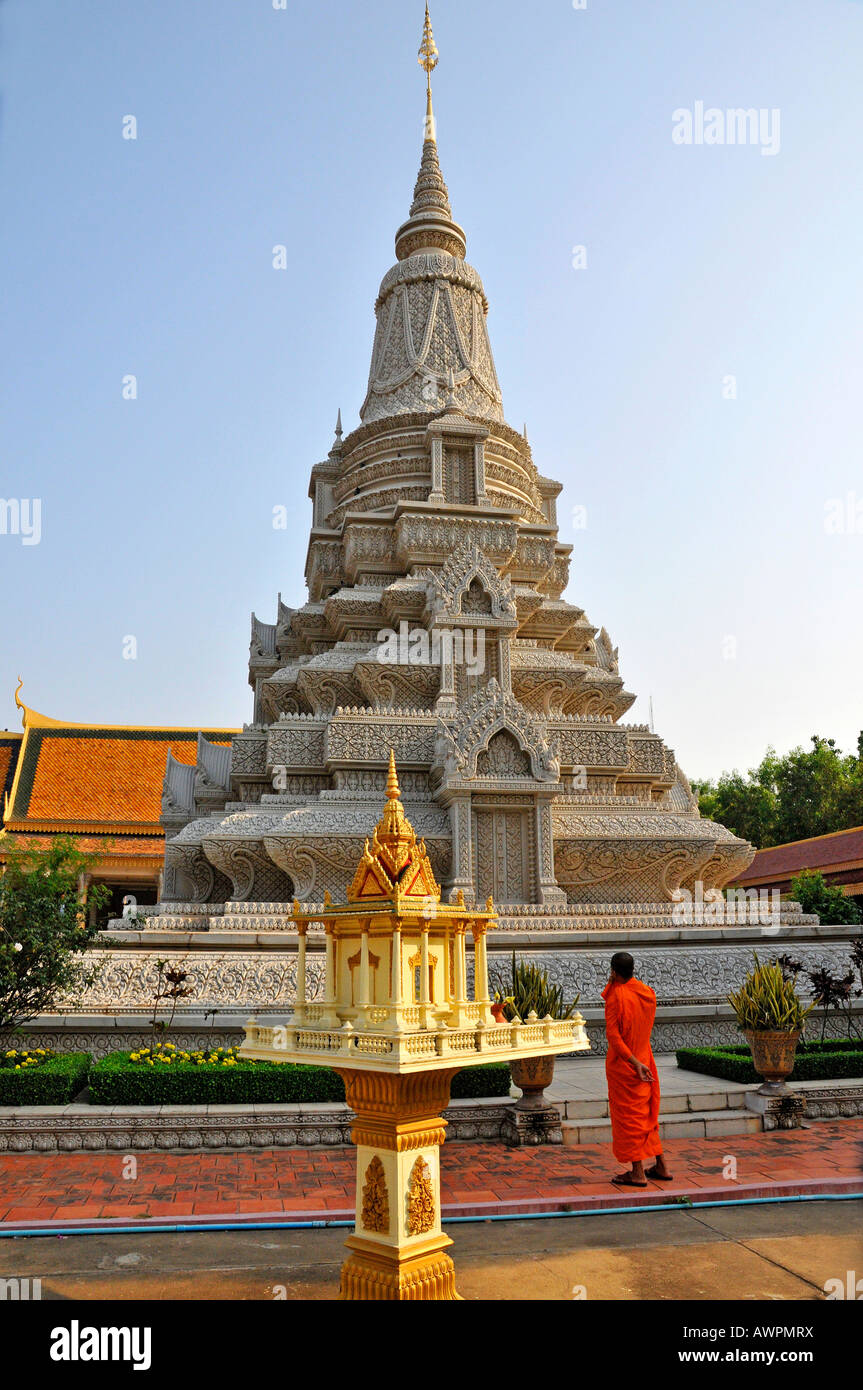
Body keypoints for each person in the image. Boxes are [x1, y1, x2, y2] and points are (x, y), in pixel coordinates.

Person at [602, 951, 673, 1187]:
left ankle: (637, 1172)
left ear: (613, 971)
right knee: (647, 1116)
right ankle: (661, 1165)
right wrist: (641, 1062)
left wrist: (634, 1063)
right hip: (646, 1060)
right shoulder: (647, 993)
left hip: (627, 1065)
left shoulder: (617, 997)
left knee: (630, 1119)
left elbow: (614, 1037)